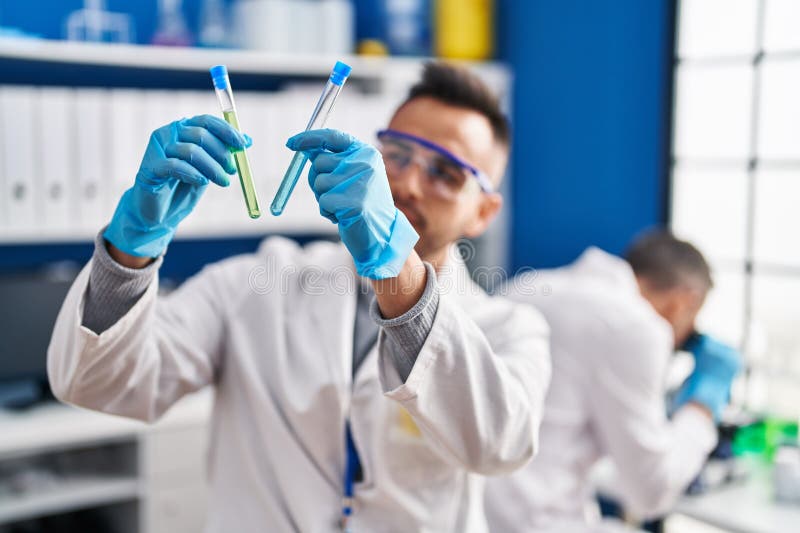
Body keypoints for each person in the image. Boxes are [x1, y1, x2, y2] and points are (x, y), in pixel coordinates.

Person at [48, 62, 551, 532]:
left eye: (446, 173)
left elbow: (498, 446)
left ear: (484, 212)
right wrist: (130, 246)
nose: (410, 183)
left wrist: (396, 268)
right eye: (397, 153)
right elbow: (97, 384)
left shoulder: (511, 329)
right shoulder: (255, 283)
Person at [484, 231, 741, 533]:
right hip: (532, 522)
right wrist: (703, 404)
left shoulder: (525, 287)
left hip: (473, 515)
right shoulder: (637, 327)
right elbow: (651, 493)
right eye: (692, 319)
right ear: (685, 301)